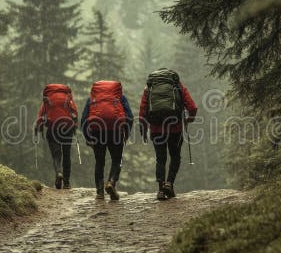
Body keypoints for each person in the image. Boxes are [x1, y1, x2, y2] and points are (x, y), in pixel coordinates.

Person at [139, 68, 197, 200]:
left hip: (156, 130)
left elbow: (142, 111)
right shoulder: (178, 87)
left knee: (160, 159)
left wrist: (143, 130)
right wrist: (189, 119)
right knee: (175, 157)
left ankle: (160, 190)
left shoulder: (149, 89)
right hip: (175, 129)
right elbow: (192, 107)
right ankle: (169, 183)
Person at [81, 80, 133, 200]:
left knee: (99, 162)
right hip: (115, 131)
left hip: (97, 132)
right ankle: (111, 182)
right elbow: (129, 117)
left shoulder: (92, 98)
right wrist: (126, 134)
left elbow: (84, 119)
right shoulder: (120, 97)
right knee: (116, 160)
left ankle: (100, 192)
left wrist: (88, 137)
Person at [35, 84, 78, 189]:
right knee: (67, 155)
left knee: (56, 154)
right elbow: (74, 113)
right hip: (67, 129)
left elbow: (41, 115)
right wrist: (75, 126)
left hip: (53, 128)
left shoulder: (48, 98)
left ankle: (59, 172)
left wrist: (38, 127)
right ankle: (67, 183)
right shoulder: (68, 98)